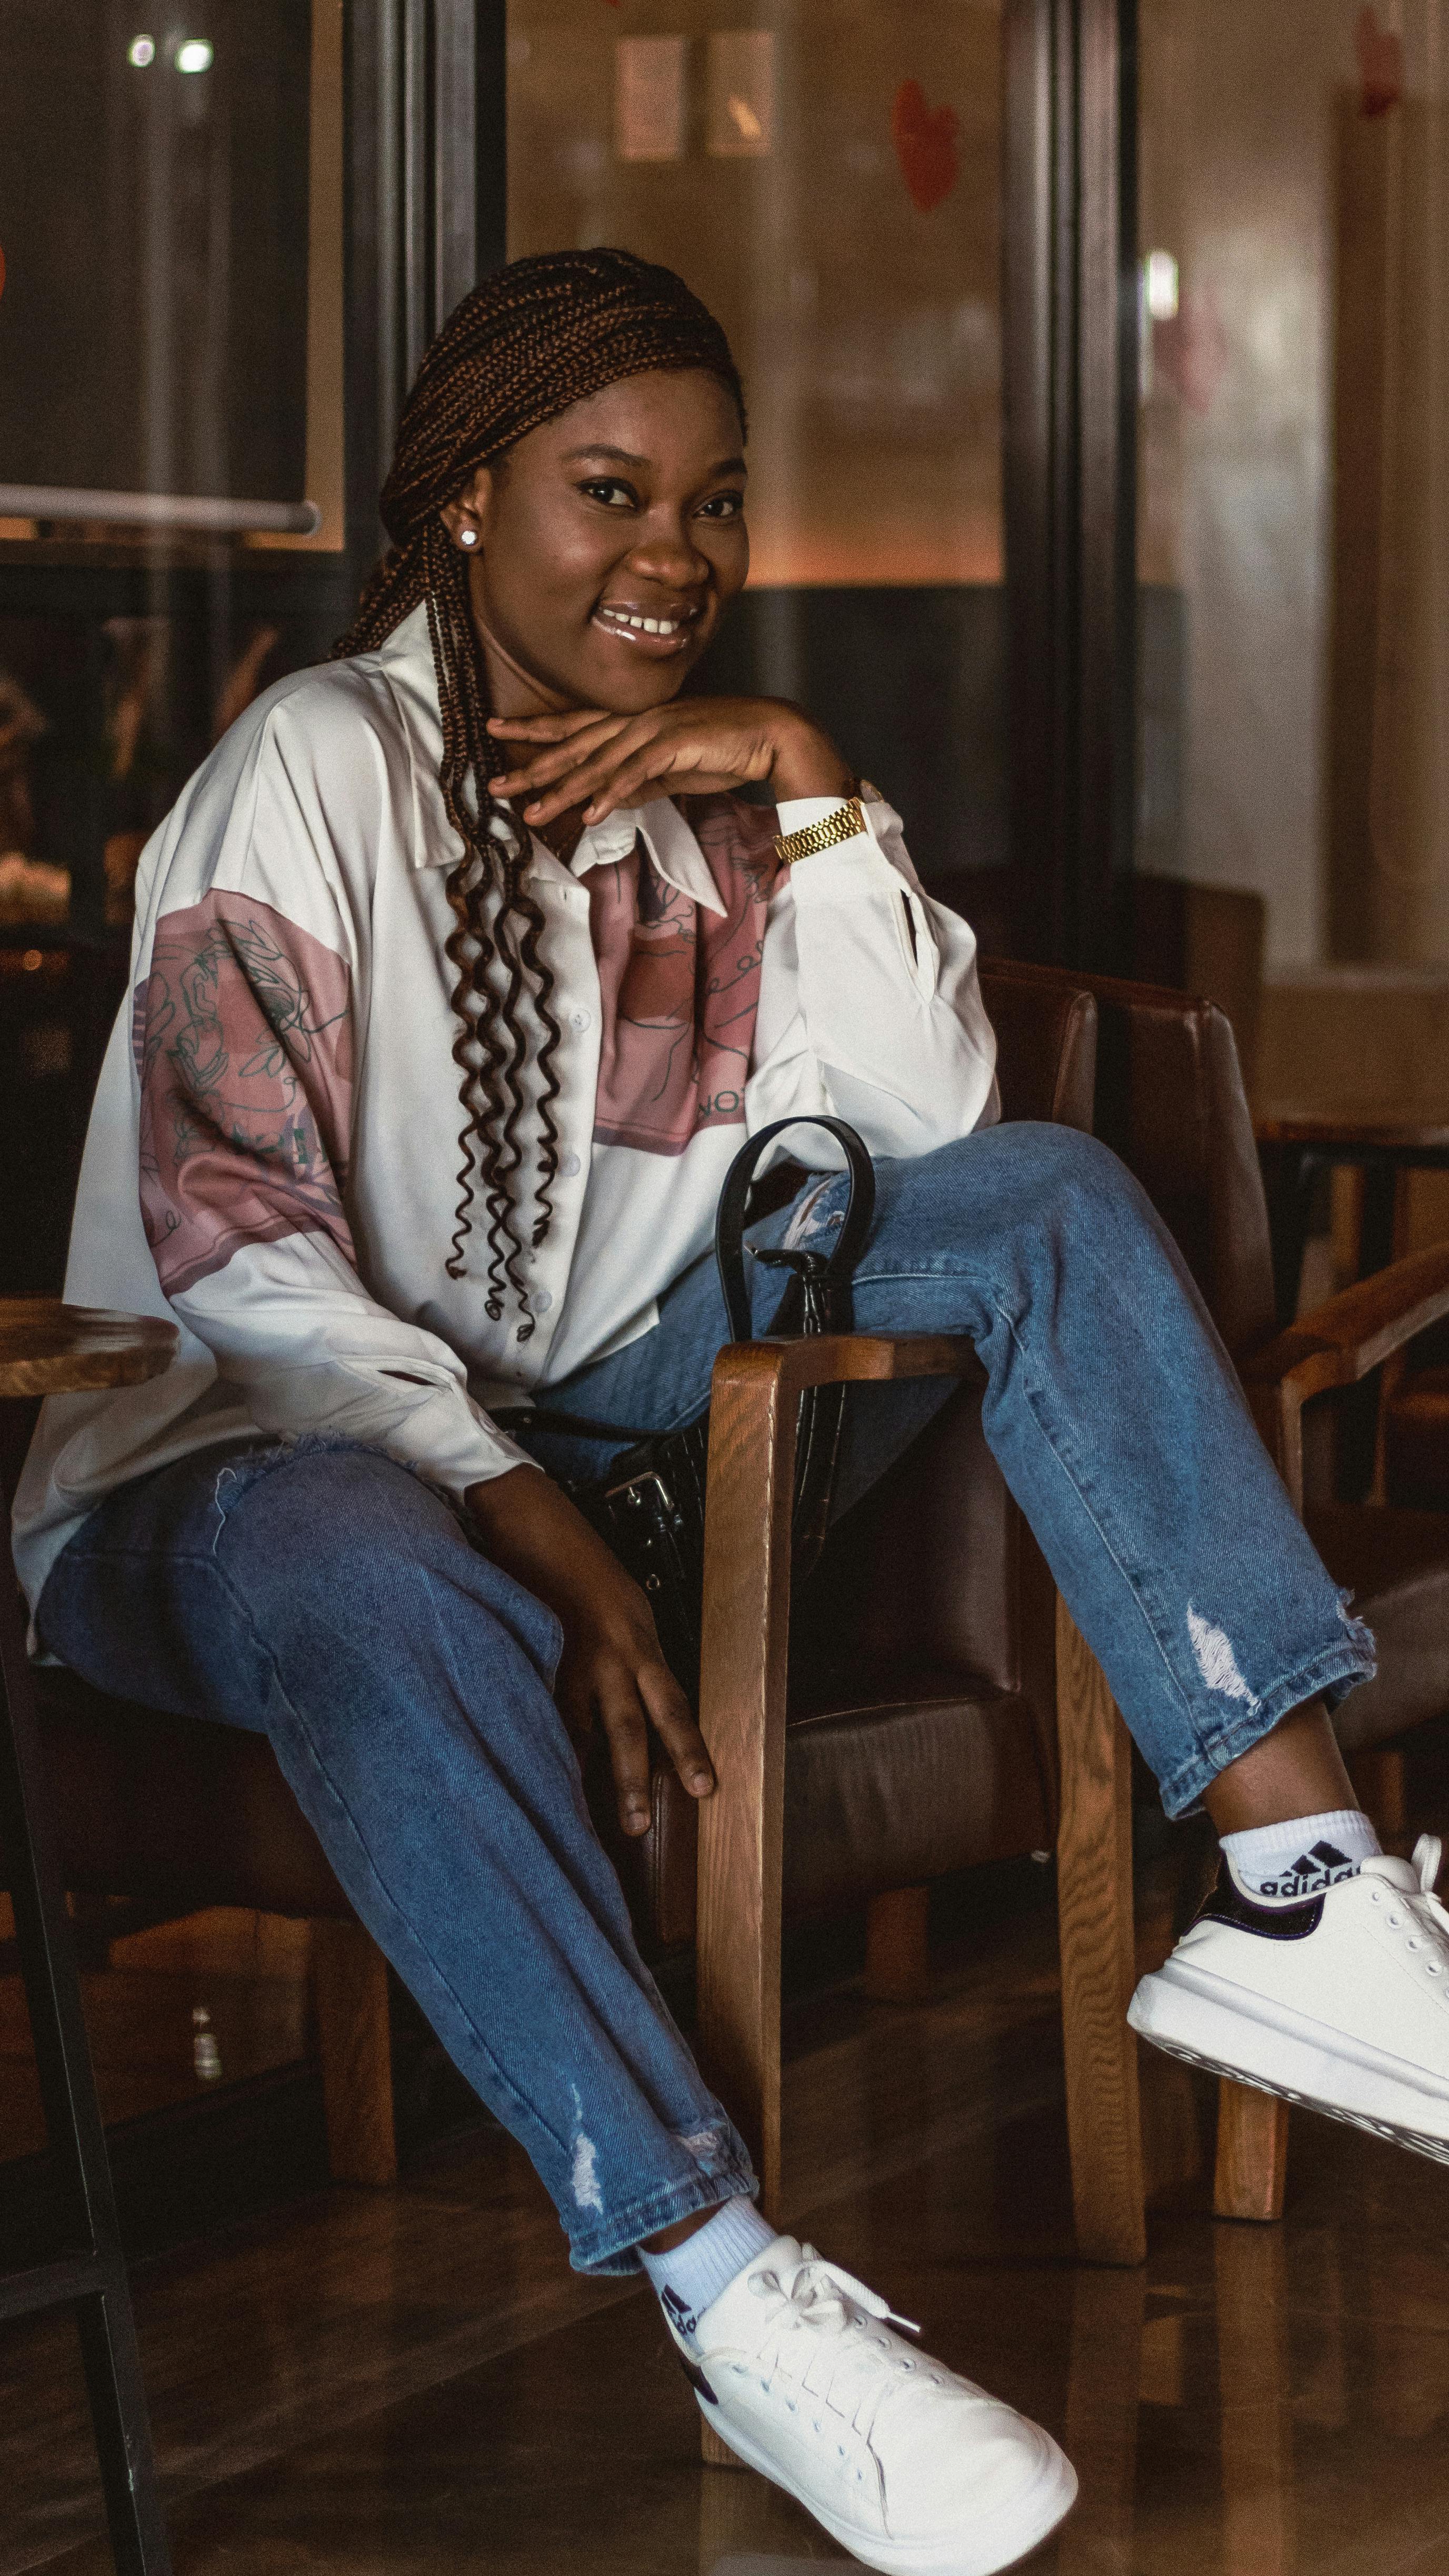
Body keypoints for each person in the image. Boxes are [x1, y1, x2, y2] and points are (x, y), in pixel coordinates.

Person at [15, 248, 1449, 2576]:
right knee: (352, 1541)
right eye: (608, 493)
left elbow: (923, 1128)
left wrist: (804, 792)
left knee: (1044, 1194)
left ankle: (1296, 1890)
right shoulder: (310, 771)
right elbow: (236, 1253)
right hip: (221, 1497)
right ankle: (724, 2285)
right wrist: (524, 1522)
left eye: (713, 507)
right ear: (465, 497)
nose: (670, 557)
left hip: (600, 1436)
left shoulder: (699, 828)